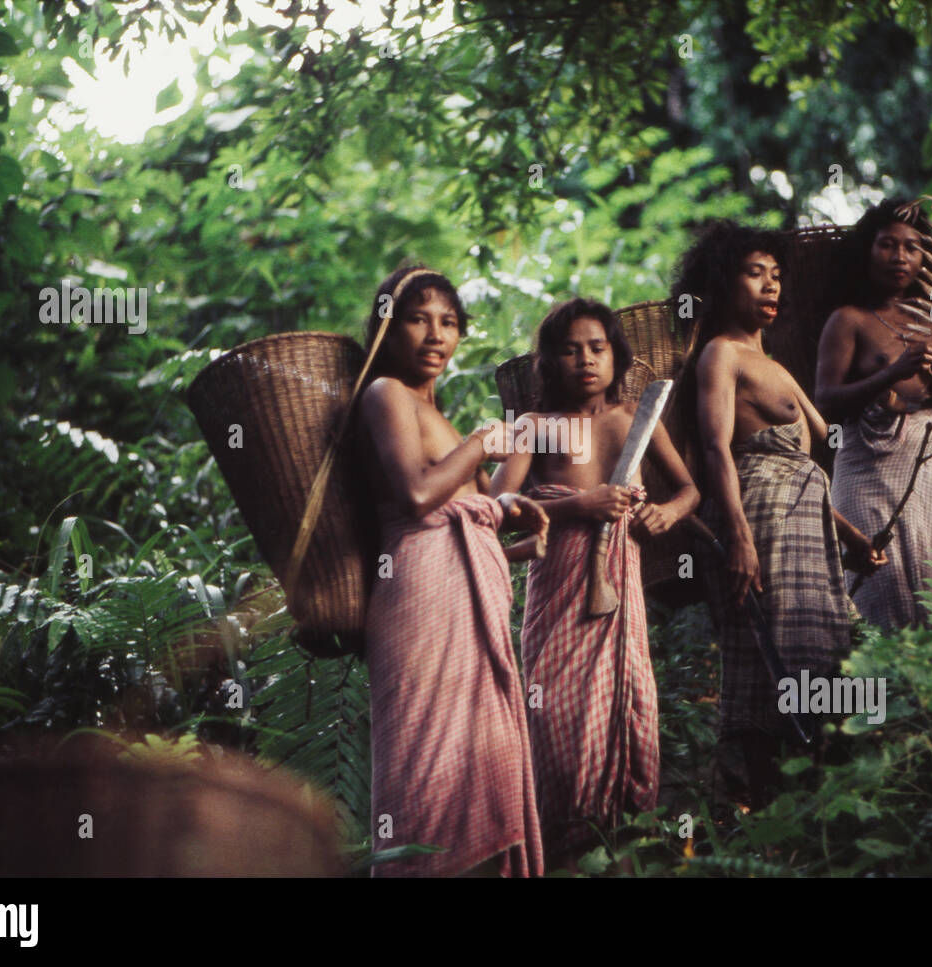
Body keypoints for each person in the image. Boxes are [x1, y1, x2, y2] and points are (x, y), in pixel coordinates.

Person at [674, 221, 886, 807]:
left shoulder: (777, 364)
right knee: (770, 661)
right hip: (756, 517)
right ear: (722, 282)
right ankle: (766, 813)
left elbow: (806, 472)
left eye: (776, 275)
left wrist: (851, 537)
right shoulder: (721, 353)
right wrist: (737, 538)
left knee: (821, 658)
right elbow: (718, 447)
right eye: (753, 273)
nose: (769, 286)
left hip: (805, 524)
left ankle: (811, 815)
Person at [489, 297, 698, 866]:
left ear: (616, 355)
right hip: (557, 591)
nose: (585, 360)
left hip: (617, 591)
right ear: (551, 361)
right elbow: (497, 507)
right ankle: (556, 854)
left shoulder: (633, 418)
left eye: (597, 348)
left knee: (623, 718)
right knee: (551, 719)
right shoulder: (535, 427)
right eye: (570, 349)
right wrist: (580, 503)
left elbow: (687, 488)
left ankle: (619, 853)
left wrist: (668, 514)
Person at [358, 264, 548, 876]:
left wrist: (519, 509)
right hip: (418, 584)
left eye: (448, 322)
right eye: (417, 319)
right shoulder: (386, 394)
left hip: (467, 587)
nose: (435, 334)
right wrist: (478, 445)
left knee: (482, 752)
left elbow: (479, 503)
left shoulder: (433, 410)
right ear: (389, 330)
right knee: (425, 751)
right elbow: (416, 496)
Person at [816, 200, 932, 630]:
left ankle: (924, 693)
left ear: (926, 259)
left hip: (926, 482)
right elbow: (824, 399)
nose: (900, 257)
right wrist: (894, 372)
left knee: (929, 589)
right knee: (874, 585)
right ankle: (871, 689)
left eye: (913, 247)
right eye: (887, 245)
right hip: (867, 476)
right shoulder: (848, 320)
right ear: (868, 250)